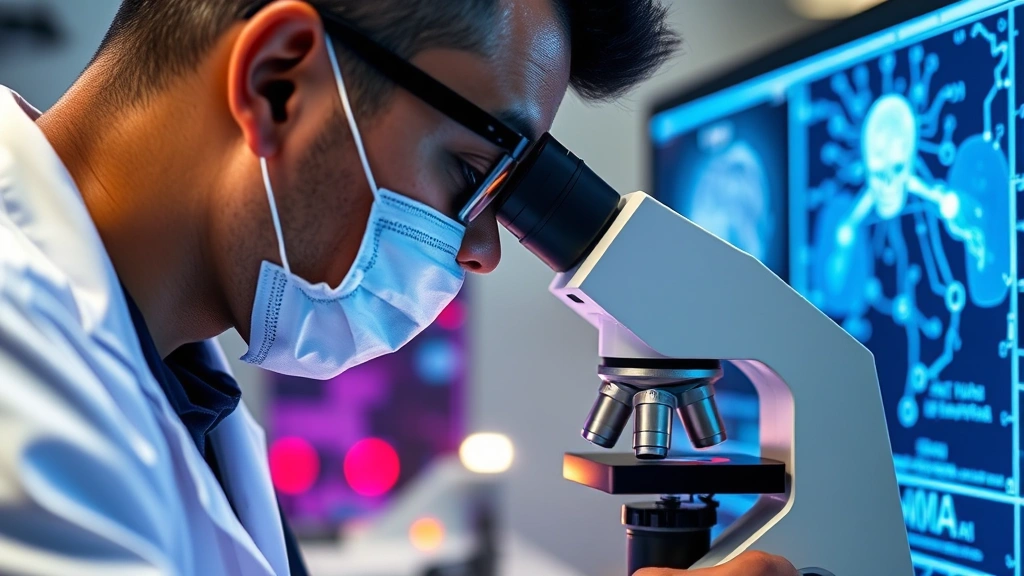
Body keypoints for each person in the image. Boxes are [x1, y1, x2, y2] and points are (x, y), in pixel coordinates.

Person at [0, 1, 798, 575]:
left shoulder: (180, 382)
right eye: (470, 172)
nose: (482, 252)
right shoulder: (18, 368)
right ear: (280, 83)